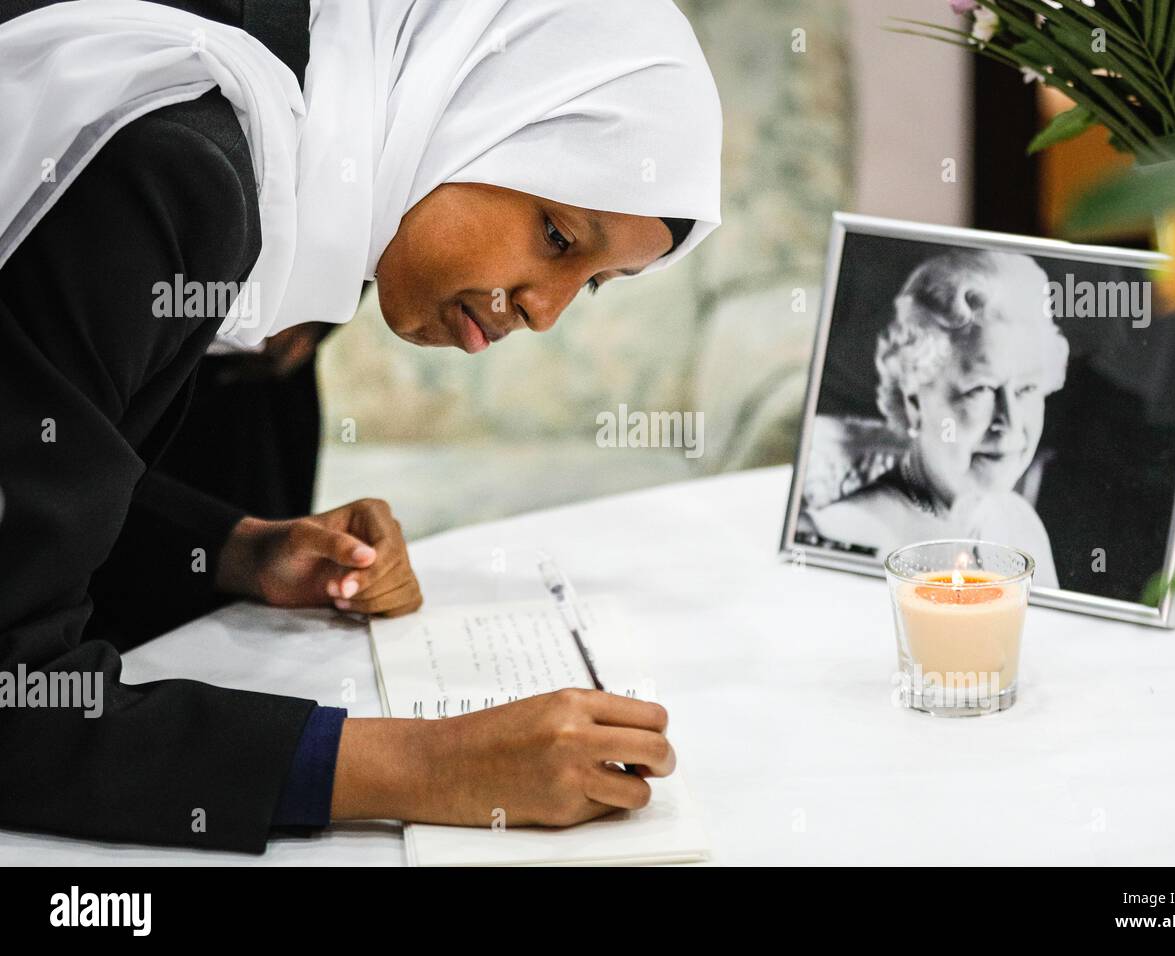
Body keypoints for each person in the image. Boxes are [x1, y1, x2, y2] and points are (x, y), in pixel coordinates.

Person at [0, 0, 720, 851]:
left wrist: (235, 550)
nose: (545, 311)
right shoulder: (185, 169)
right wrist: (433, 766)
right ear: (466, 104)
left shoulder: (249, 151)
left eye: (595, 283)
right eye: (559, 237)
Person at [808, 250, 1066, 586]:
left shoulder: (1019, 522)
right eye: (981, 389)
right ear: (913, 397)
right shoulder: (852, 533)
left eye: (1027, 388)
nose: (1011, 421)